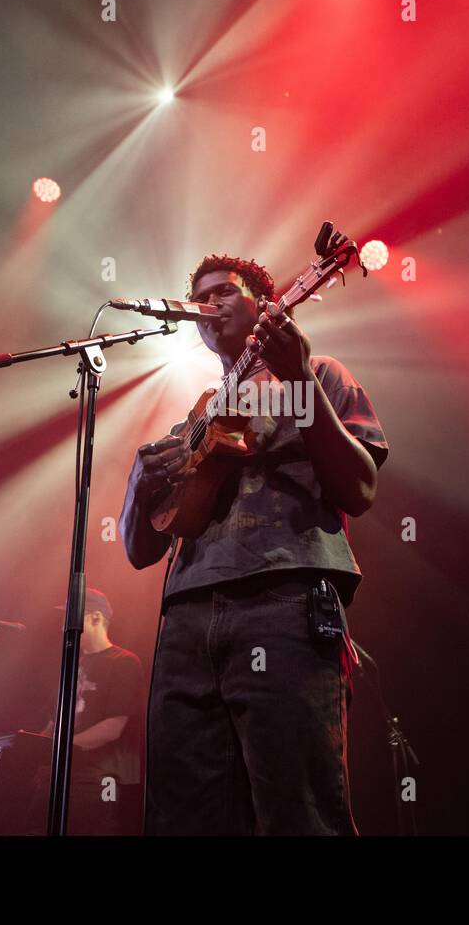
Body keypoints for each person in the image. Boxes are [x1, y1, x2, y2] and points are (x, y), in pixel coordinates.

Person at [120, 254, 388, 835]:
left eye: (223, 293)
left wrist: (298, 377)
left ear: (267, 306)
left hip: (285, 599)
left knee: (300, 812)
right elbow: (137, 550)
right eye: (200, 299)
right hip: (186, 616)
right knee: (182, 817)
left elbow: (360, 487)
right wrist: (142, 484)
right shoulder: (190, 419)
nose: (208, 305)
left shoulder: (323, 374)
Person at [37, 589, 144, 836]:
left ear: (96, 617)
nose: (64, 624)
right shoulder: (70, 664)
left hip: (100, 779)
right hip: (63, 775)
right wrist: (34, 752)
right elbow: (54, 723)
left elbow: (113, 727)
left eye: (72, 616)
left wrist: (58, 749)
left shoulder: (124, 662)